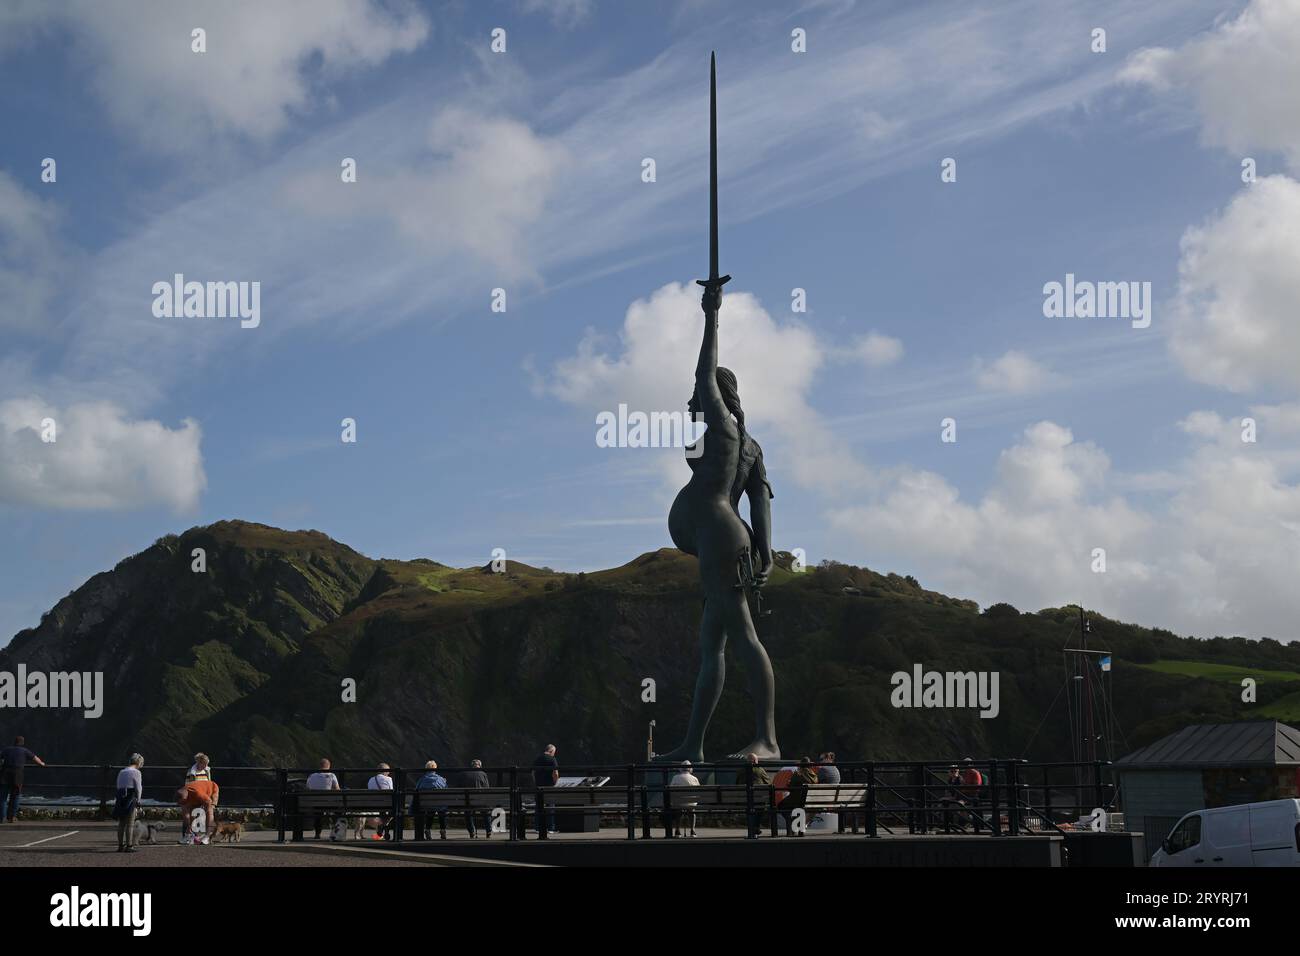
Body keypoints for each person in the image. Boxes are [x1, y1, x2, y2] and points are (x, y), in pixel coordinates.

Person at [660, 284, 779, 763]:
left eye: (697, 395)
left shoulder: (724, 429)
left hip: (717, 535)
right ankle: (693, 745)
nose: (692, 400)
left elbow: (703, 370)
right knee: (712, 648)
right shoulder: (751, 447)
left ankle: (767, 740)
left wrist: (710, 314)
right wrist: (766, 551)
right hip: (724, 539)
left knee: (744, 636)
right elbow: (761, 501)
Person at [0, 735, 46, 823]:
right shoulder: (24, 751)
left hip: (4, 775)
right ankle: (12, 817)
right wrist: (42, 763)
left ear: (14, 742)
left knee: (2, 798)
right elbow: (36, 759)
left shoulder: (6, 750)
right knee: (15, 796)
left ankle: (1, 817)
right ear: (22, 743)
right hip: (17, 776)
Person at [113, 754, 144, 853]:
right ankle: (129, 846)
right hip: (131, 796)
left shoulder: (122, 771)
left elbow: (118, 785)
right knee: (130, 823)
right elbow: (138, 788)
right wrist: (138, 800)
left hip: (121, 797)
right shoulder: (137, 773)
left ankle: (120, 846)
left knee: (121, 823)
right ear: (139, 763)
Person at [454, 759, 492, 839]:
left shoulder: (465, 774)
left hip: (468, 802)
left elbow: (459, 788)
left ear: (471, 766)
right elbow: (487, 788)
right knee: (486, 811)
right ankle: (489, 830)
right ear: (480, 766)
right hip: (481, 801)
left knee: (468, 812)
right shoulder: (483, 774)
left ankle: (472, 831)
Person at [176, 775, 219, 845]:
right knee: (192, 813)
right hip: (197, 795)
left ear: (185, 797)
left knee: (209, 812)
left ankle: (207, 836)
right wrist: (189, 825)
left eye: (183, 802)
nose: (183, 804)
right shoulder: (181, 795)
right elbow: (186, 815)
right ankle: (188, 835)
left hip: (212, 789)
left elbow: (208, 802)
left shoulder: (197, 793)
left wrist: (203, 813)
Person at [781, 757, 818, 836]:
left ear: (800, 765)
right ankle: (799, 828)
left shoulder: (797, 774)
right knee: (800, 807)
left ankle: (792, 822)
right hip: (808, 801)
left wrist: (788, 783)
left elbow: (791, 788)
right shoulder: (814, 776)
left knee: (780, 806)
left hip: (796, 800)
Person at [305, 758, 341, 839]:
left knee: (318, 813)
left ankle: (317, 834)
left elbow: (307, 788)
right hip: (328, 803)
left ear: (320, 766)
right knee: (338, 811)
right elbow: (337, 790)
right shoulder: (331, 775)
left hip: (314, 804)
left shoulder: (311, 776)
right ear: (329, 766)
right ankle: (335, 831)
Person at [413, 760, 448, 840]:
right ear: (435, 769)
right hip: (440, 804)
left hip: (426, 804)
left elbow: (416, 789)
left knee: (430, 811)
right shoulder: (441, 779)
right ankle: (443, 830)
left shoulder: (422, 779)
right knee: (442, 811)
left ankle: (427, 830)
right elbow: (446, 789)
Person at [532, 744, 559, 836]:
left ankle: (537, 827)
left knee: (538, 807)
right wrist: (555, 783)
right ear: (551, 751)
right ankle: (551, 828)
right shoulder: (552, 759)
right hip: (549, 786)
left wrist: (536, 782)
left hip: (538, 786)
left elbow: (533, 772)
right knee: (550, 806)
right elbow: (555, 773)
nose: (554, 755)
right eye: (554, 753)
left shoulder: (537, 759)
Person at [669, 760, 701, 838]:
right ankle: (692, 831)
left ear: (681, 768)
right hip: (691, 803)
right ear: (690, 769)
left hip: (679, 803)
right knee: (692, 810)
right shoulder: (694, 778)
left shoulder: (675, 777)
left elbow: (670, 790)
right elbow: (699, 792)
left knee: (678, 811)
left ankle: (677, 831)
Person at [742, 752, 771, 838]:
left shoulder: (741, 770)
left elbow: (737, 783)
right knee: (761, 806)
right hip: (758, 801)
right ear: (755, 761)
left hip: (744, 800)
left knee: (752, 806)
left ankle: (753, 828)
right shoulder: (759, 770)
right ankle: (756, 827)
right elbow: (768, 782)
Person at [366, 763, 395, 840]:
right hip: (386, 804)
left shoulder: (371, 779)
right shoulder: (388, 779)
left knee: (383, 812)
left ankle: (381, 827)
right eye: (388, 771)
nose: (389, 773)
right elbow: (391, 792)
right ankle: (384, 826)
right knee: (396, 810)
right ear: (384, 771)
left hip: (373, 804)